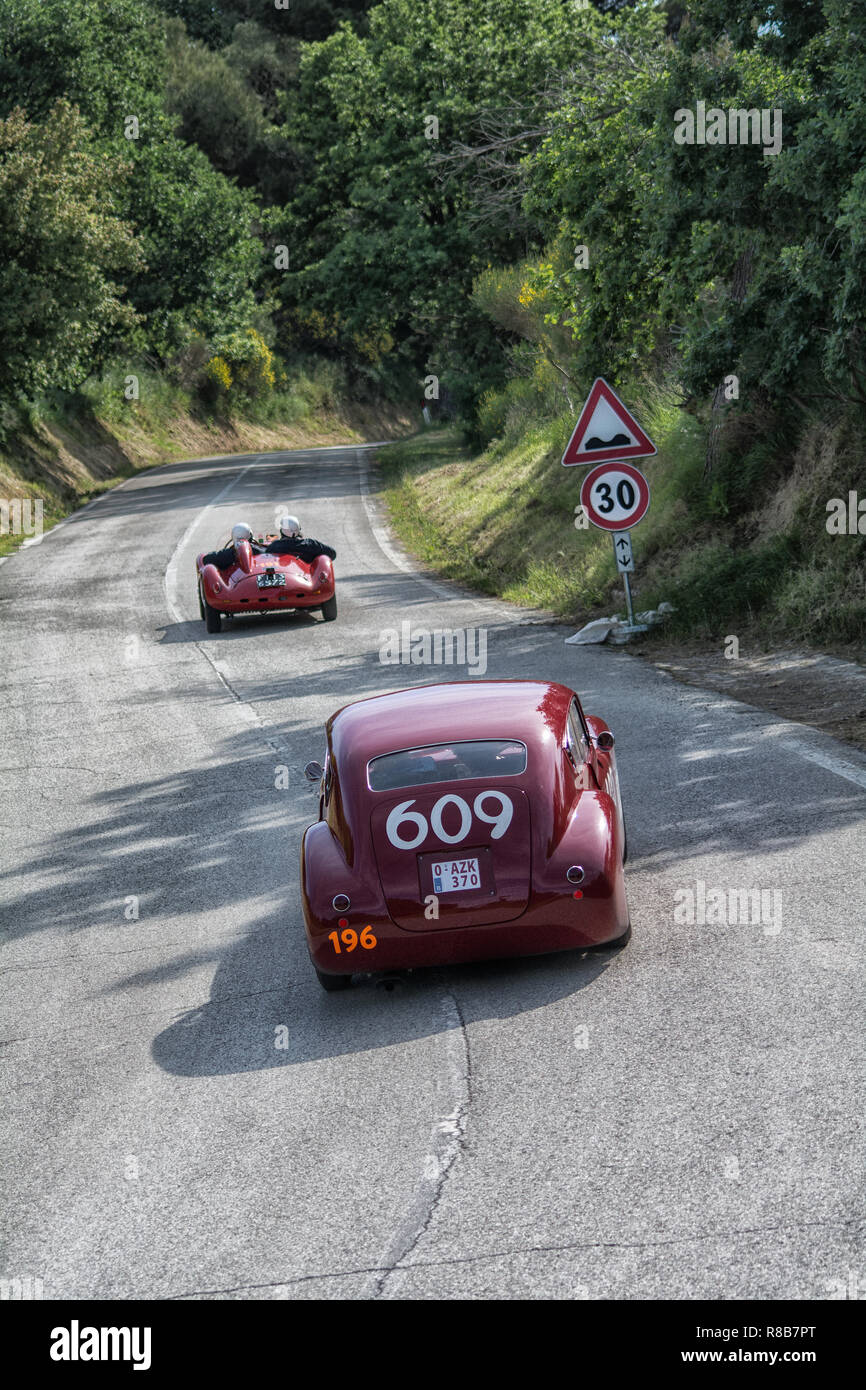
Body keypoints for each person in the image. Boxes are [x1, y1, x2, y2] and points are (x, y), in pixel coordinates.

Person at [264, 515, 336, 562]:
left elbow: (266, 560)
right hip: (306, 580)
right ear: (298, 529)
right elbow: (332, 553)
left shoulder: (275, 546)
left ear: (282, 531)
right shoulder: (311, 544)